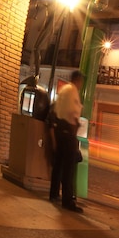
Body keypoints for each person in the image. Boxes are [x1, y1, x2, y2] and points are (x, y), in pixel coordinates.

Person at [49, 71, 85, 213]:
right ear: (78, 80)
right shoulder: (73, 91)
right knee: (68, 168)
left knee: (58, 164)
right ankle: (68, 201)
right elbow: (72, 112)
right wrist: (74, 127)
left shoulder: (63, 89)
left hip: (59, 129)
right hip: (68, 130)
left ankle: (53, 193)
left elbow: (57, 109)